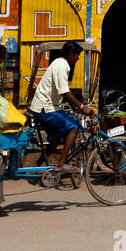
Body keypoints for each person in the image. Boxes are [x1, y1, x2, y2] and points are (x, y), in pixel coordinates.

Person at [29, 41, 93, 174]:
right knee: (73, 129)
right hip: (45, 108)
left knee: (59, 136)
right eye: (77, 55)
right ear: (71, 54)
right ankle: (60, 164)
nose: (78, 58)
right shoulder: (61, 66)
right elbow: (65, 92)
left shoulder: (60, 64)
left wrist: (73, 106)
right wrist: (82, 106)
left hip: (47, 106)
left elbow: (62, 91)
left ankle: (36, 165)